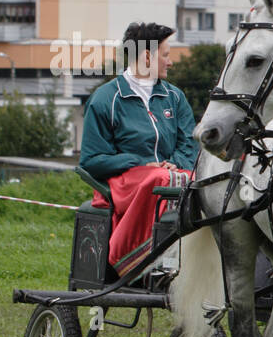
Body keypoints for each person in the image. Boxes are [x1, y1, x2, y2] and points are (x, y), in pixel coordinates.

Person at [79, 22, 198, 276]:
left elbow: (189, 144)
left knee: (206, 182)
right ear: (146, 56)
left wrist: (174, 161)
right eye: (166, 55)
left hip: (169, 175)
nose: (170, 62)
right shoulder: (104, 99)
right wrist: (138, 162)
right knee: (158, 179)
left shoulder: (176, 97)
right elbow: (91, 160)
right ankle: (137, 259)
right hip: (126, 182)